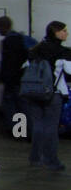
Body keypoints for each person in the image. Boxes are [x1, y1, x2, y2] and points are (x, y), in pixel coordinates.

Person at [22, 21, 71, 171]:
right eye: (63, 31)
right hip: (53, 94)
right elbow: (69, 73)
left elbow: (25, 68)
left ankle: (35, 158)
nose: (66, 33)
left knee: (37, 126)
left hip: (34, 93)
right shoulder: (63, 52)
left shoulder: (35, 50)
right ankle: (51, 160)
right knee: (51, 127)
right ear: (55, 32)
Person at [0, 16, 28, 138]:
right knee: (21, 107)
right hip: (20, 79)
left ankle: (18, 133)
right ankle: (22, 132)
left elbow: (7, 63)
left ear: (3, 27)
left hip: (12, 81)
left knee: (12, 107)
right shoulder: (19, 38)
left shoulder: (9, 41)